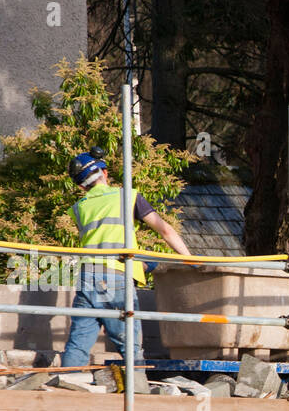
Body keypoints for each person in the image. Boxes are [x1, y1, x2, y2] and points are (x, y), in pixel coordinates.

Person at [60, 147, 192, 369]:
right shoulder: (127, 196)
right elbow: (165, 231)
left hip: (86, 279)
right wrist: (190, 259)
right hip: (115, 278)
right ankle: (137, 393)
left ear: (81, 186)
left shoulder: (79, 207)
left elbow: (102, 239)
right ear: (105, 173)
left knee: (77, 345)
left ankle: (67, 386)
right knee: (130, 346)